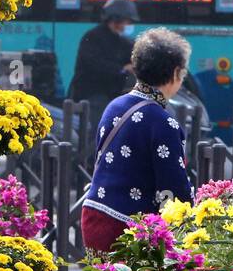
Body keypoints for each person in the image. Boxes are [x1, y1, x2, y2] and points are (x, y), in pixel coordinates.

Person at [80, 27, 195, 253]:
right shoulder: (163, 123)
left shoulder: (114, 105)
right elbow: (173, 192)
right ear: (175, 72)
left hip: (94, 217)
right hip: (127, 230)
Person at [69, 0, 138, 103]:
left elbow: (132, 57)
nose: (128, 25)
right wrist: (122, 69)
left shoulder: (124, 41)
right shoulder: (93, 37)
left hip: (113, 94)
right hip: (91, 94)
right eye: (127, 21)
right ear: (116, 20)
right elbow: (94, 63)